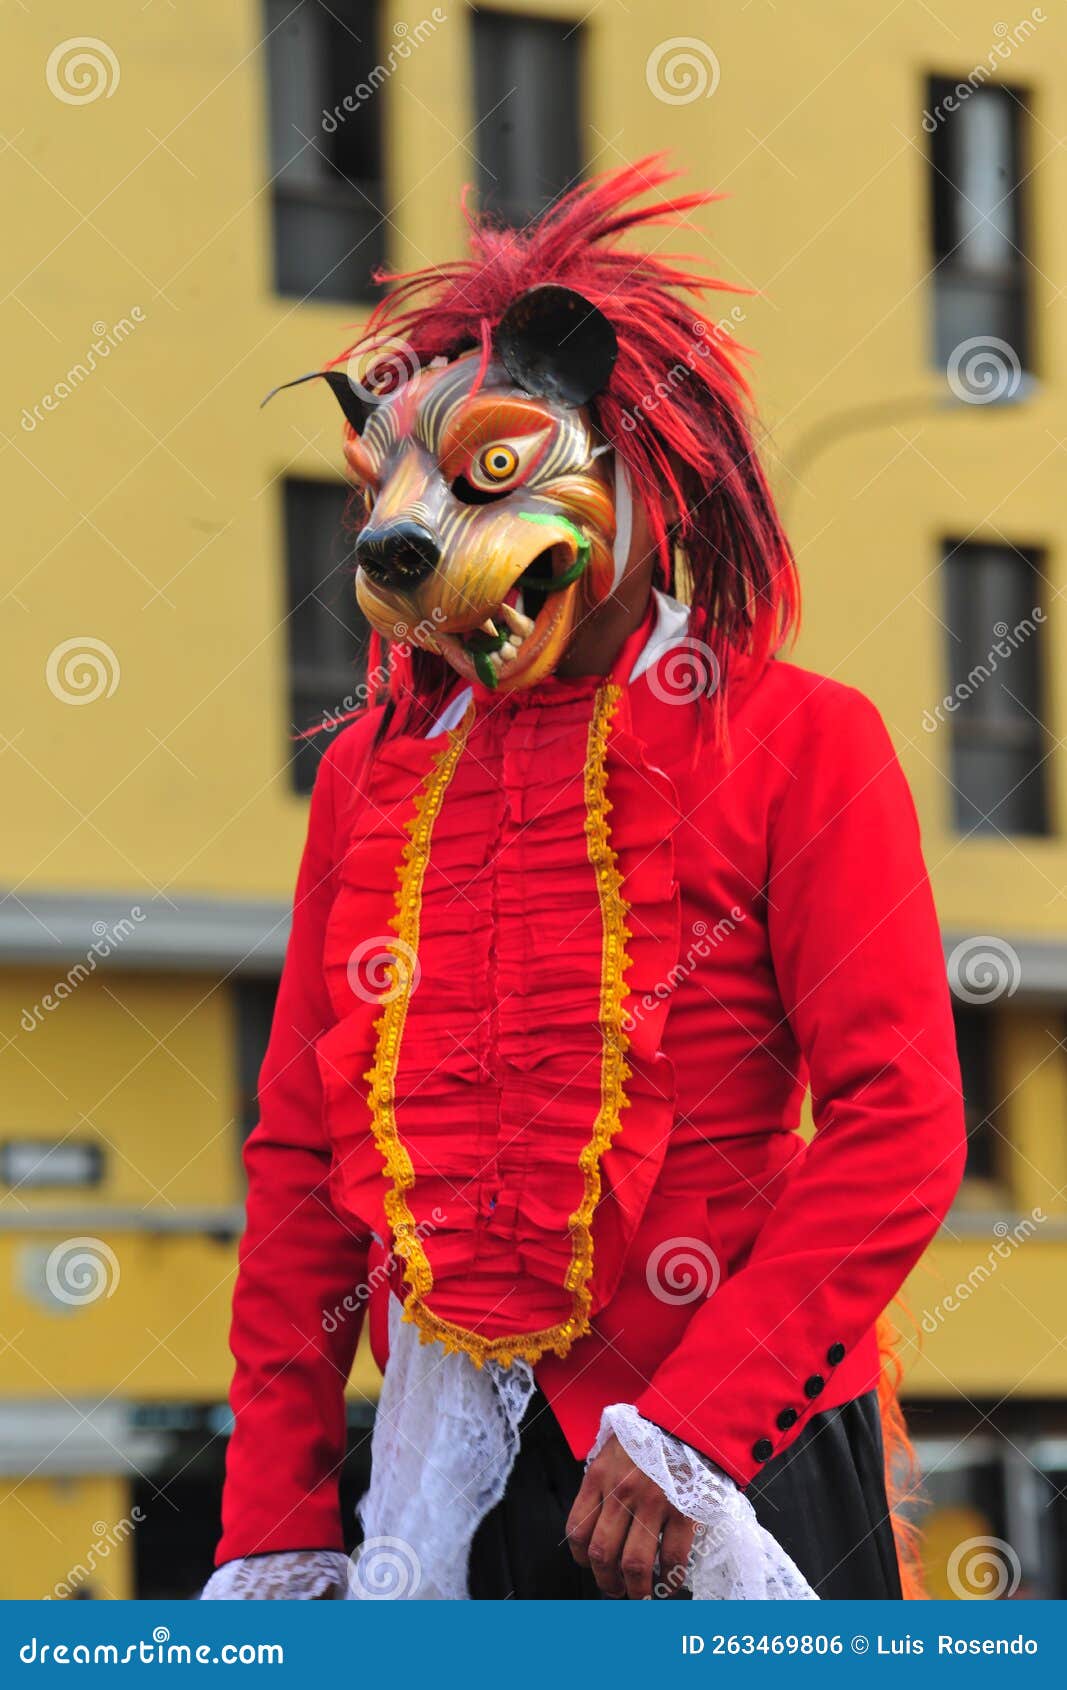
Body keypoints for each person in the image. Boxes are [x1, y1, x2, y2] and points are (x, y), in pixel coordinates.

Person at [202, 159, 966, 1602]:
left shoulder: (803, 738)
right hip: (452, 1483)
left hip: (736, 1459)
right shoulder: (371, 774)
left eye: (487, 471)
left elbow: (904, 1122)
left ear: (637, 469)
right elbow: (303, 1162)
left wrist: (696, 1430)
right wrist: (275, 1517)